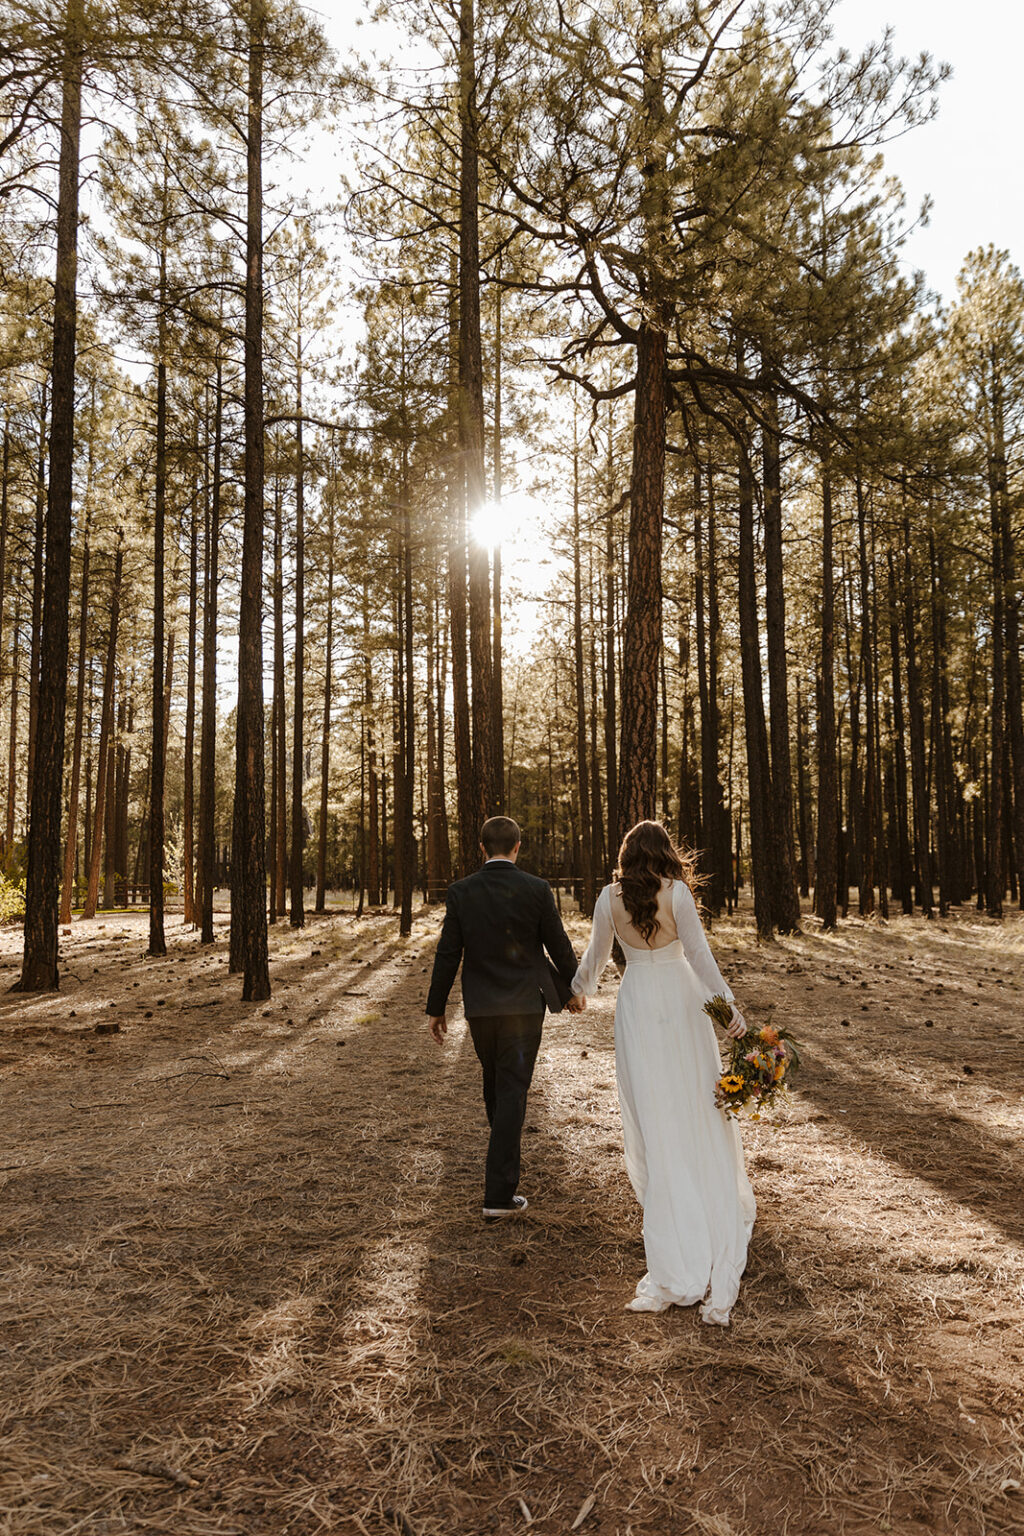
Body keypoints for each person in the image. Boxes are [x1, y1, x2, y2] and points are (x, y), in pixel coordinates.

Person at [572, 820, 756, 1323]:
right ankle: (701, 1199)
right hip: (680, 998)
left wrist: (578, 990)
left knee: (652, 1106)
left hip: (637, 1003)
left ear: (627, 855)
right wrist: (728, 1009)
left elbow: (596, 956)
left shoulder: (610, 897)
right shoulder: (676, 895)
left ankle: (673, 1214)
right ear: (666, 853)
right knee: (695, 1099)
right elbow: (698, 955)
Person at [427, 816, 583, 1221]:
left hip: (480, 1008)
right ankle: (498, 1196)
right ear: (518, 847)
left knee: (498, 1086)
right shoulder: (536, 889)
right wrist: (575, 986)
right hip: (523, 1007)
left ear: (483, 848)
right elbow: (558, 945)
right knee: (508, 1092)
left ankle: (502, 1160)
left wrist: (437, 1007)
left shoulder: (462, 891)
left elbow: (448, 952)